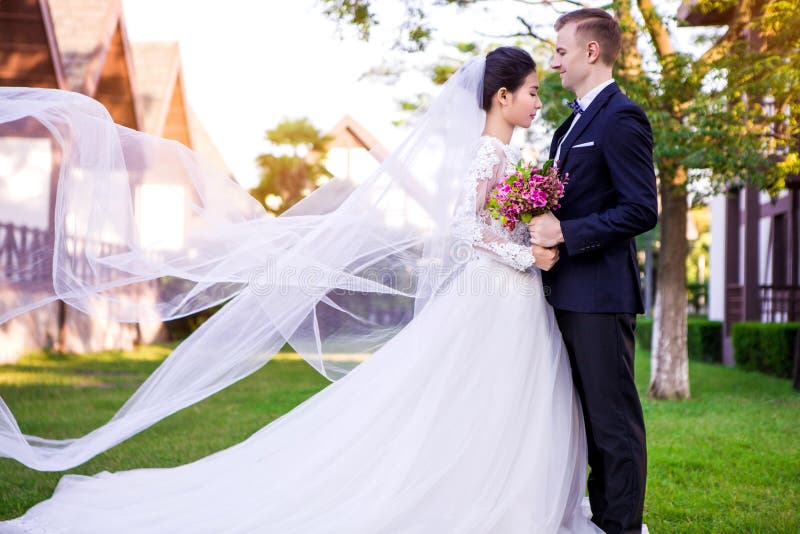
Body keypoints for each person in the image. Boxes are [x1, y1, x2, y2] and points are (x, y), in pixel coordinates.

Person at [0, 48, 603, 533]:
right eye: (530, 92)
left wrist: (530, 237)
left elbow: (489, 225)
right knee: (479, 394)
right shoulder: (486, 154)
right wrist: (526, 250)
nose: (536, 102)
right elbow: (471, 230)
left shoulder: (504, 153)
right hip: (498, 285)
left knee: (499, 395)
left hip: (511, 289)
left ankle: (507, 495)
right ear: (502, 96)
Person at [528, 9, 658, 534]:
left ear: (590, 52)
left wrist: (566, 233)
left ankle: (619, 526)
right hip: (564, 292)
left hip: (601, 296)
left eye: (560, 51)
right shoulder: (569, 125)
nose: (553, 61)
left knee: (613, 422)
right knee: (583, 422)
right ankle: (602, 519)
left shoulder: (621, 117)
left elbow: (640, 208)